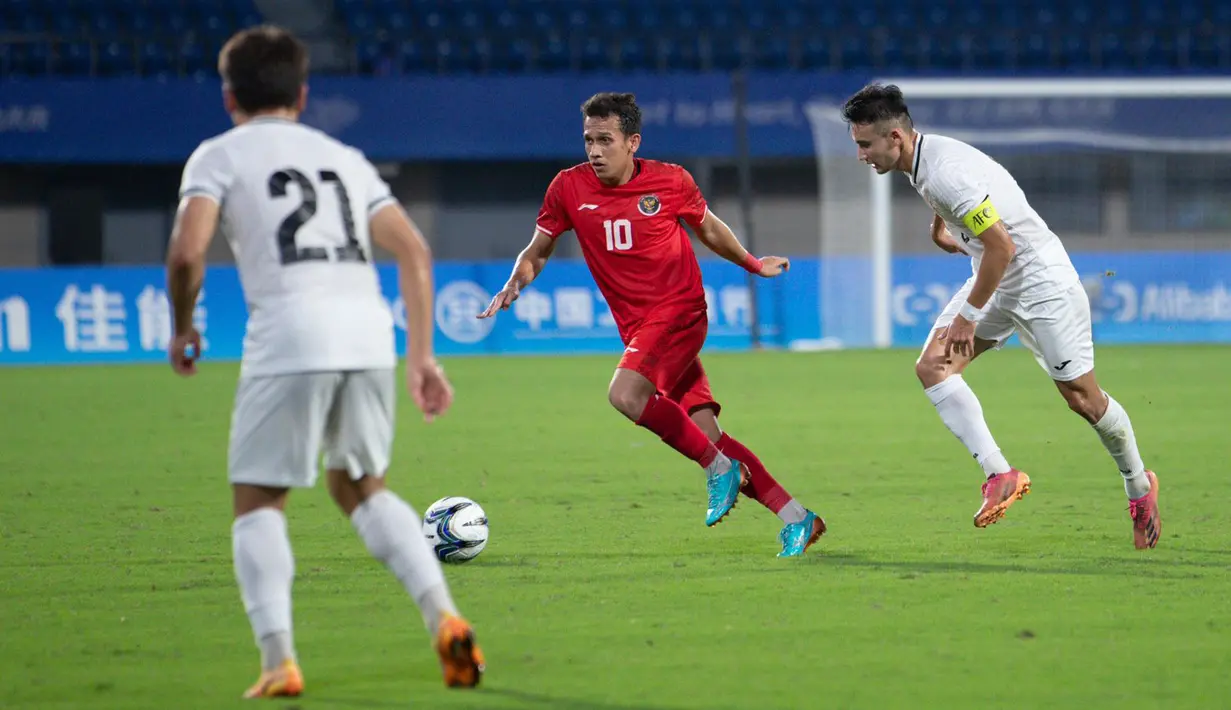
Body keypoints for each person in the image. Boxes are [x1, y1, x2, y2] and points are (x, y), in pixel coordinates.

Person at [164, 25, 485, 698]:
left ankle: (279, 660)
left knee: (259, 501)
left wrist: (183, 327)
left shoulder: (216, 156)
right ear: (302, 94)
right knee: (361, 485)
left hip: (288, 337)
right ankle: (445, 617)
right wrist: (422, 357)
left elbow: (187, 253)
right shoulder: (343, 157)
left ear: (229, 97)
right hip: (366, 334)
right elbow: (415, 252)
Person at [477, 92, 825, 558]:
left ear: (632, 141)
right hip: (640, 328)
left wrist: (751, 263)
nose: (595, 151)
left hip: (679, 312)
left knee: (625, 394)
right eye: (588, 140)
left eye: (605, 140)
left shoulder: (670, 181)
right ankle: (798, 518)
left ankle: (717, 469)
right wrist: (516, 281)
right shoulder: (568, 188)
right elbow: (538, 248)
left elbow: (708, 227)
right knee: (708, 435)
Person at [841, 83, 1161, 549]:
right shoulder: (924, 160)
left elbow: (1002, 245)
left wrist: (969, 315)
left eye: (865, 144)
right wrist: (944, 230)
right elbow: (973, 212)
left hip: (1041, 282)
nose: (861, 155)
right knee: (933, 366)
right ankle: (1000, 474)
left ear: (895, 137)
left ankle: (1139, 486)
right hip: (996, 274)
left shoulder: (944, 172)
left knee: (1083, 399)